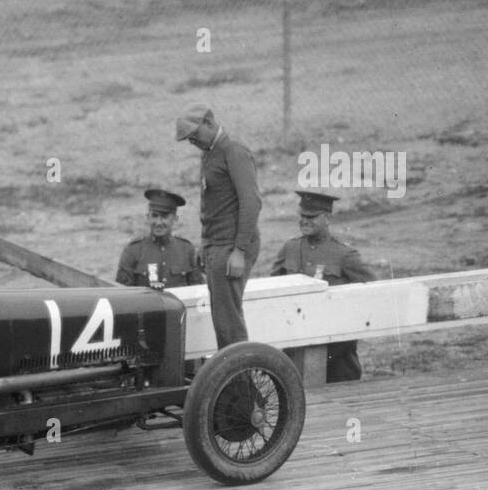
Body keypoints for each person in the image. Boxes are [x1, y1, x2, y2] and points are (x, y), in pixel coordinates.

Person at [175, 104, 261, 348]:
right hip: (217, 245)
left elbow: (251, 202)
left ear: (209, 123)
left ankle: (240, 383)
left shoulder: (233, 150)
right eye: (189, 140)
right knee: (222, 321)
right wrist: (206, 243)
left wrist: (239, 251)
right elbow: (212, 205)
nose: (193, 142)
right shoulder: (210, 152)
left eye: (195, 136)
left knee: (229, 324)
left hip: (231, 247)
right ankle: (234, 381)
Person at [271, 191, 375, 382]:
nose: (304, 221)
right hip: (295, 346)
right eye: (302, 216)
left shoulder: (345, 255)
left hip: (337, 353)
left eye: (311, 217)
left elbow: (372, 294)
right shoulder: (290, 248)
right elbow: (273, 288)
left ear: (327, 218)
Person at [115, 188, 203, 288]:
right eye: (154, 216)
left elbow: (198, 291)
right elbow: (122, 293)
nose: (158, 222)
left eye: (164, 217)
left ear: (175, 219)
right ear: (148, 217)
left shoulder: (187, 250)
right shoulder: (133, 250)